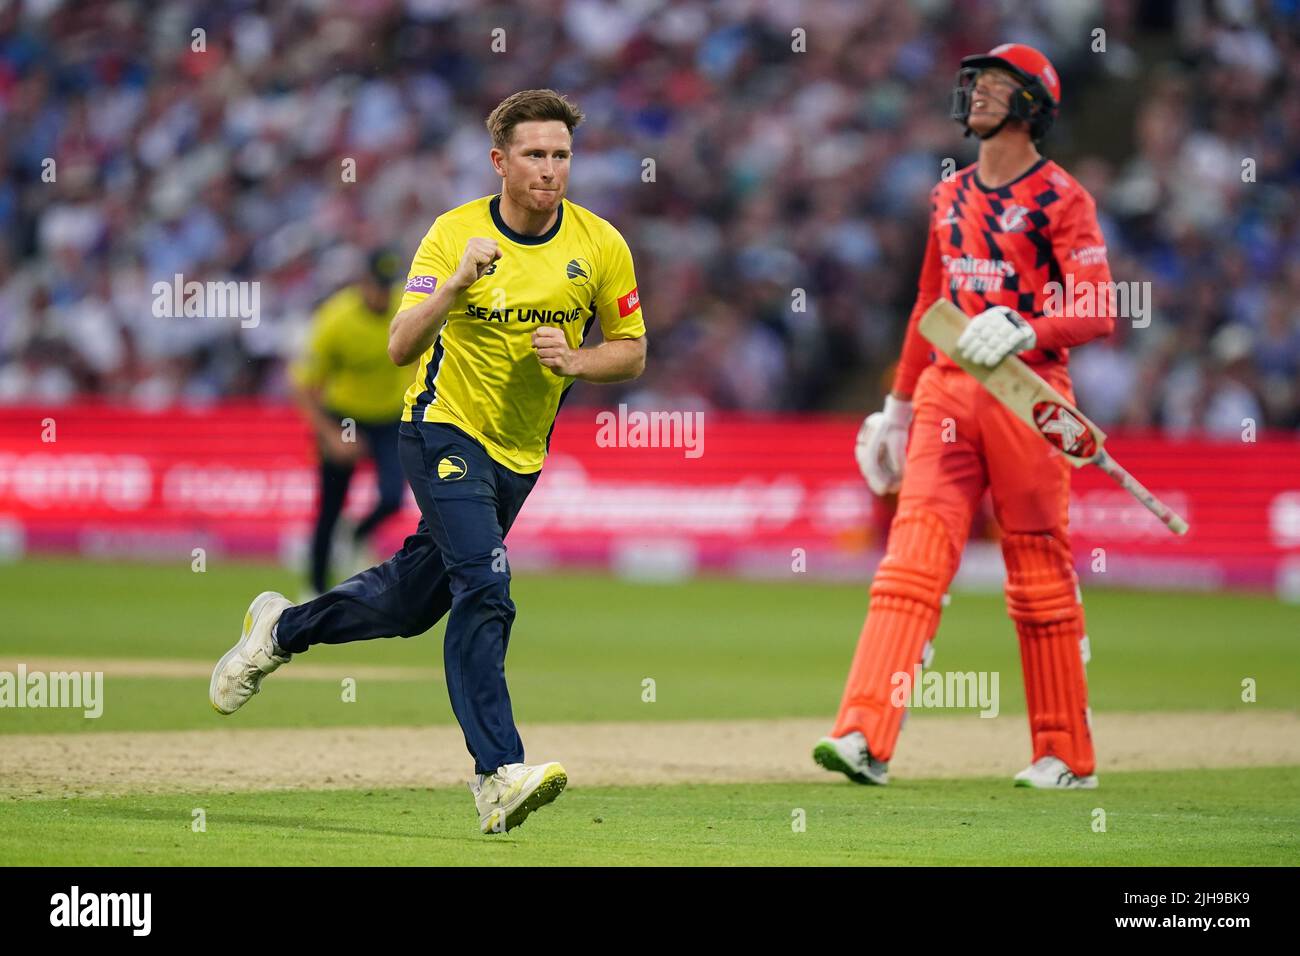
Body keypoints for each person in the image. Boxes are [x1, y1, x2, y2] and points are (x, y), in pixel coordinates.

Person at [210, 89, 648, 832]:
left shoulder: (600, 245)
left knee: (411, 605)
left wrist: (576, 359)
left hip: (519, 455)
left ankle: (278, 632)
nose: (550, 170)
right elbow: (400, 345)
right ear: (499, 161)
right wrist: (453, 287)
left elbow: (632, 351)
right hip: (440, 428)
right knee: (487, 584)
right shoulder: (454, 234)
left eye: (561, 155)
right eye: (535, 155)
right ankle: (498, 774)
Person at [814, 44, 1115, 789]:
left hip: (1027, 395)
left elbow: (1098, 306)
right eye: (975, 81)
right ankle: (863, 737)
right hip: (949, 391)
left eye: (995, 84)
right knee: (908, 567)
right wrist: (897, 405)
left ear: (1032, 104)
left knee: (1039, 577)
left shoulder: (1063, 198)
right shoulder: (948, 197)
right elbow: (928, 305)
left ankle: (1064, 755)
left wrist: (1027, 328)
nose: (976, 92)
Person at [290, 249, 409, 599]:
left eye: (389, 287)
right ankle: (313, 587)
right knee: (329, 506)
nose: (384, 295)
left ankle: (357, 534)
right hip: (345, 415)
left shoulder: (405, 306)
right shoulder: (336, 319)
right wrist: (330, 435)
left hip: (389, 416)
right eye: (378, 286)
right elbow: (302, 385)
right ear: (364, 283)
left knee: (392, 497)